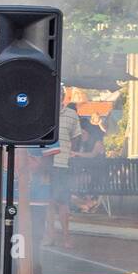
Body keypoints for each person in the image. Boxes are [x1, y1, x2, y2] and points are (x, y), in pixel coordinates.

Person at [45, 91, 81, 250]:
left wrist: (71, 154)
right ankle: (50, 236)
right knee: (48, 202)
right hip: (45, 163)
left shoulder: (71, 114)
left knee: (63, 202)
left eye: (58, 95)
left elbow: (76, 137)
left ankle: (67, 237)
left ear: (62, 98)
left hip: (62, 164)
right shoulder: (44, 112)